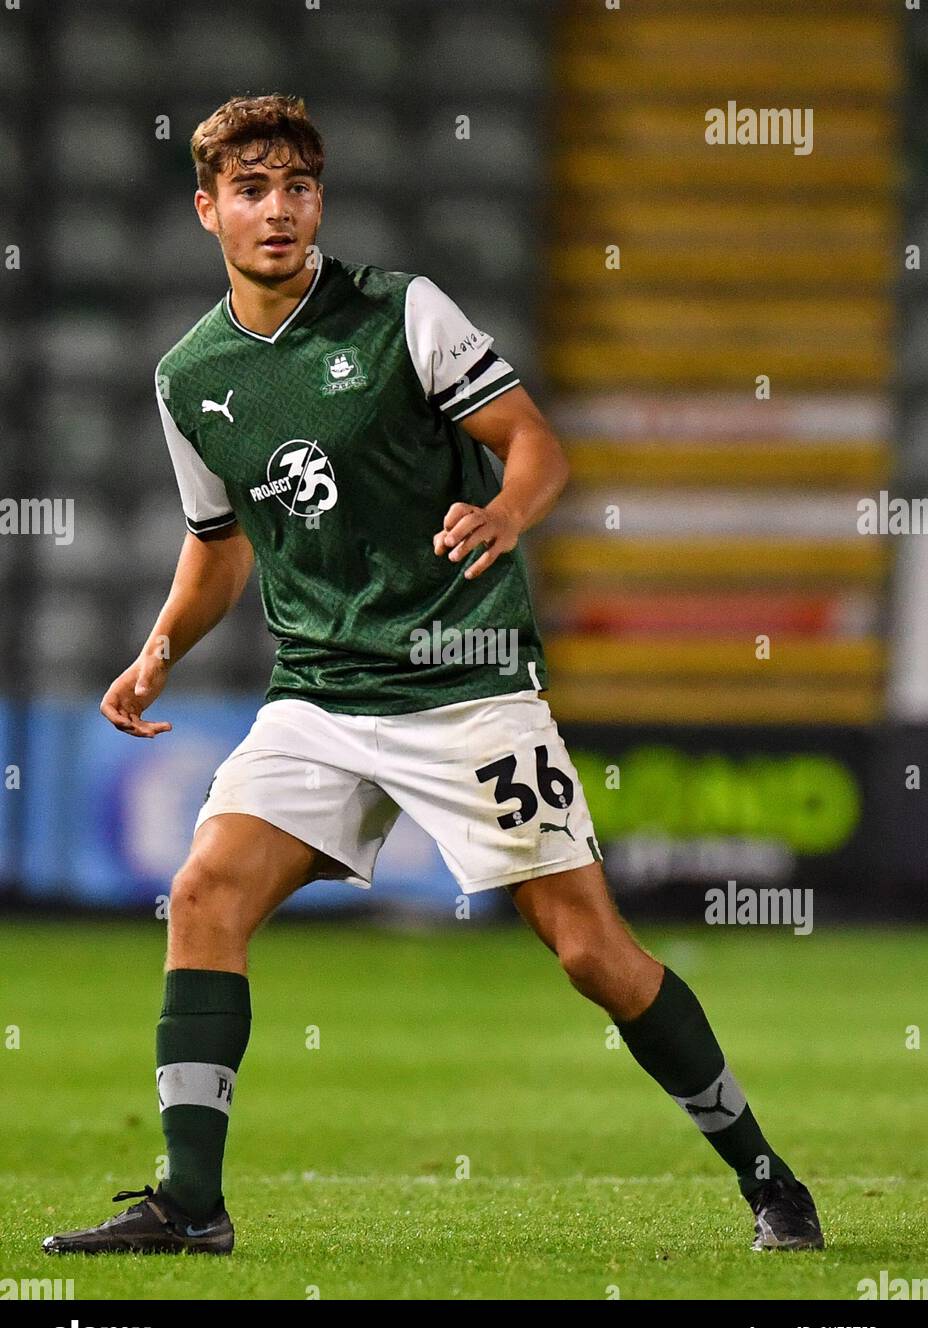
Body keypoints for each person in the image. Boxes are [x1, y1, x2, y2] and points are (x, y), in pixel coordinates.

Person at [43, 94, 823, 1258]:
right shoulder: (189, 376)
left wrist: (508, 511)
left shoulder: (400, 310)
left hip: (464, 682)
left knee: (588, 952)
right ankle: (191, 1205)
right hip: (317, 695)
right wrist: (157, 653)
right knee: (204, 893)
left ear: (320, 201)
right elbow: (219, 541)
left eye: (297, 187)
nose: (278, 209)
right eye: (251, 190)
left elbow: (535, 441)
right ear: (206, 208)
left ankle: (769, 1179)